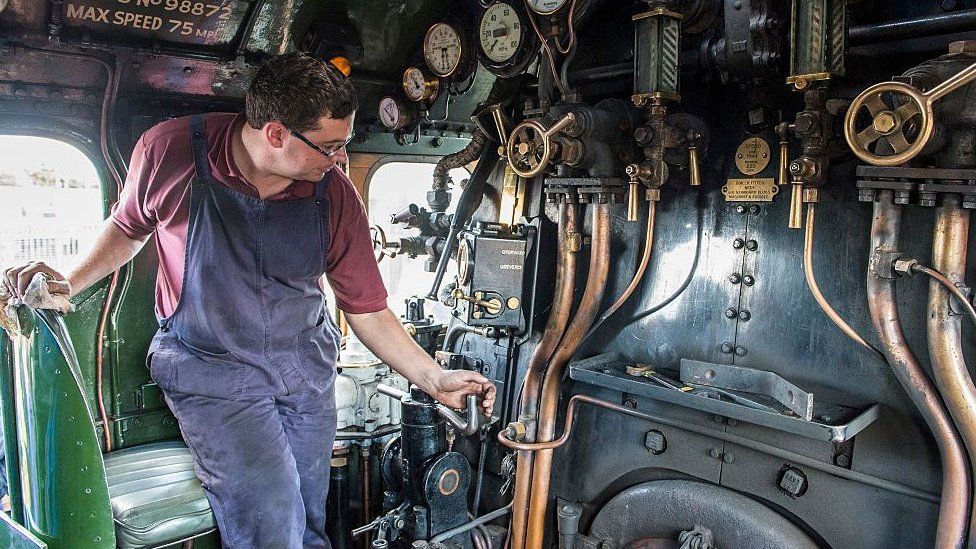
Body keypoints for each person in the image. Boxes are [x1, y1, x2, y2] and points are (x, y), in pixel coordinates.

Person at [1, 52, 495, 548]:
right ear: (276, 134)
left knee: (306, 517)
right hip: (212, 369)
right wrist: (69, 280)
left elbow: (365, 308)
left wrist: (435, 378)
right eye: (330, 146)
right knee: (272, 525)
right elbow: (128, 228)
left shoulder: (336, 196)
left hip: (303, 370)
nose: (340, 159)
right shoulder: (170, 151)